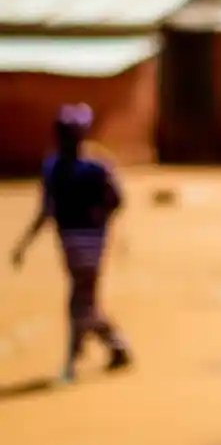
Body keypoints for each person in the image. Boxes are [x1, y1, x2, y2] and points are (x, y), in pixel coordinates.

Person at [10, 104, 132, 382]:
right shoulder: (87, 166)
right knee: (83, 302)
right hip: (78, 242)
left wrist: (25, 244)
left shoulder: (81, 167)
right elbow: (114, 201)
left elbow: (48, 210)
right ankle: (115, 345)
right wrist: (24, 244)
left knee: (79, 301)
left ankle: (73, 359)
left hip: (84, 244)